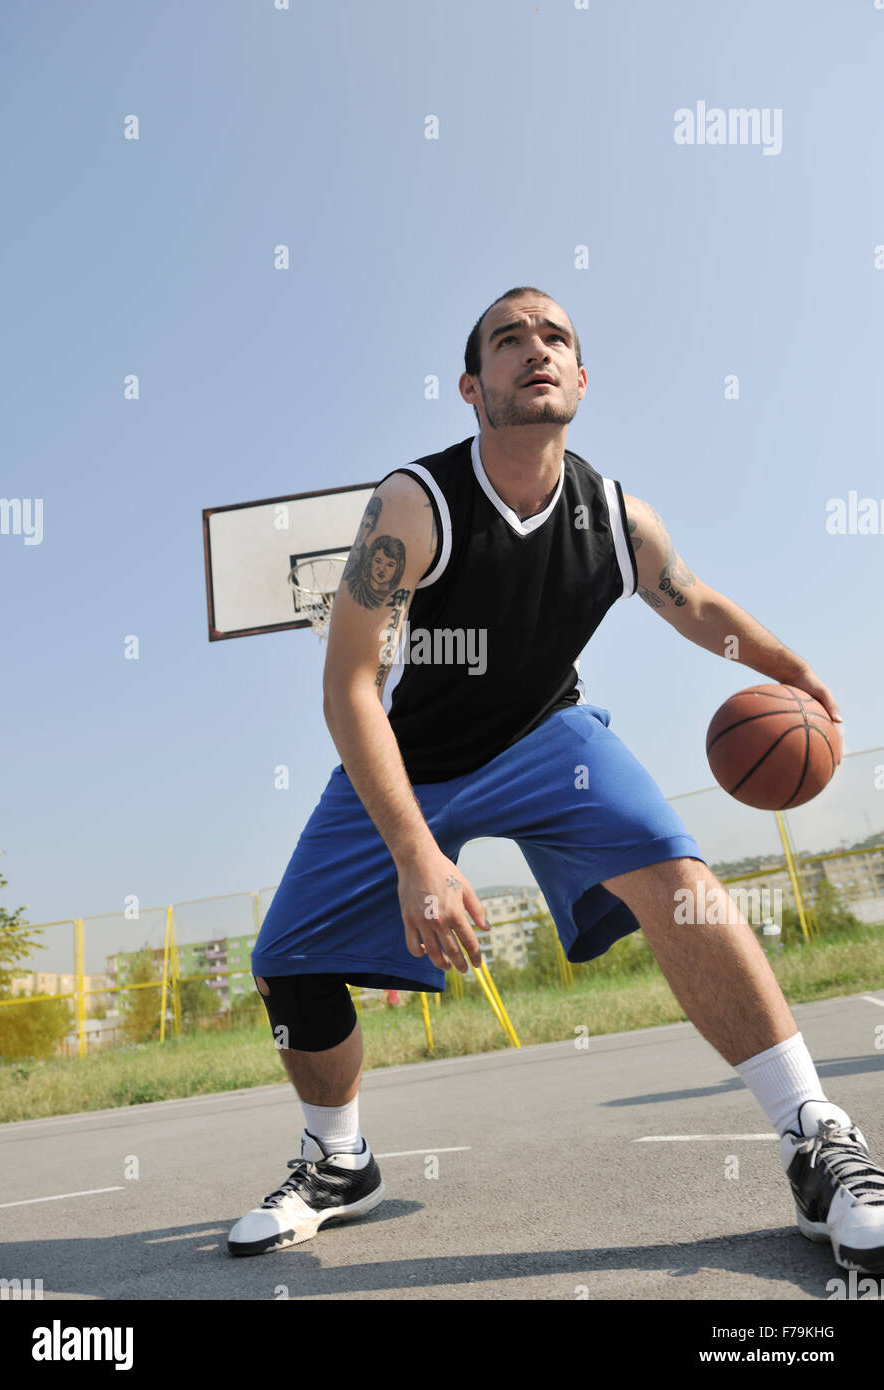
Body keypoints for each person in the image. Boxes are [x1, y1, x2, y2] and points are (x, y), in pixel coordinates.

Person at [228, 287, 884, 1273]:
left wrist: (783, 668)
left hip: (549, 737)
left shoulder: (618, 519)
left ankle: (815, 1139)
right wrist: (417, 855)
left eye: (553, 337)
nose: (533, 348)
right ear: (470, 385)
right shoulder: (413, 503)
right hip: (416, 754)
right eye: (507, 338)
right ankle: (338, 1157)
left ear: (579, 377)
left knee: (680, 878)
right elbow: (349, 684)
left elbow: (693, 601)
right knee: (287, 959)